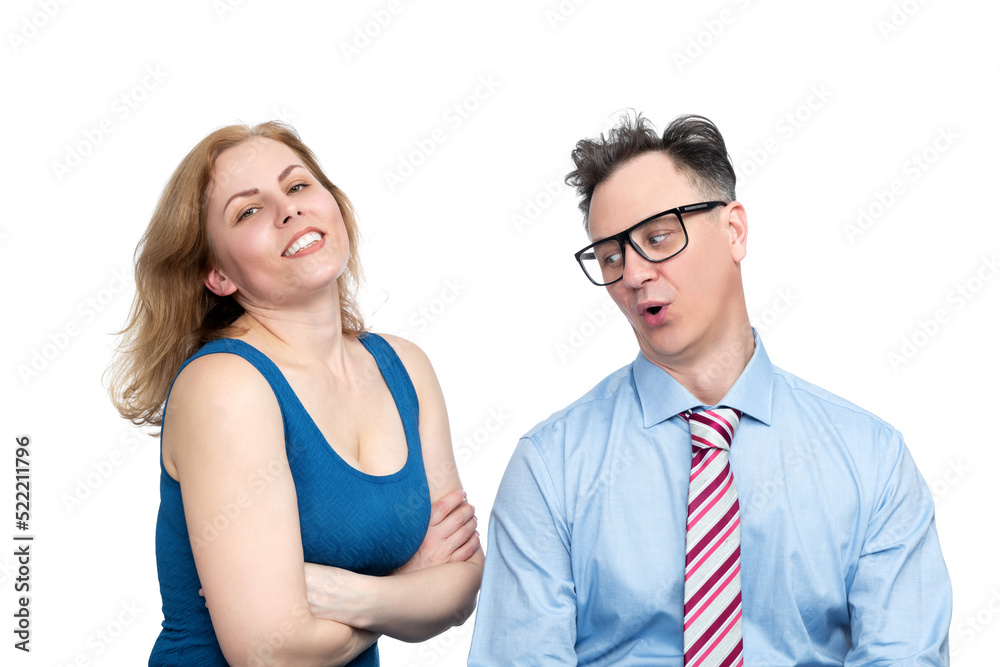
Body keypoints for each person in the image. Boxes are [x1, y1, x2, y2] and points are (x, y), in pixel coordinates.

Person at [468, 114, 951, 665]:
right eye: (610, 256)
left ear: (734, 231)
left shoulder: (872, 459)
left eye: (657, 237)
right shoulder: (550, 466)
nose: (632, 274)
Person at [107, 121, 483, 666]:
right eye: (248, 211)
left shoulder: (406, 366)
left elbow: (462, 585)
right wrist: (407, 594)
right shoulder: (225, 387)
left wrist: (356, 595)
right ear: (217, 275)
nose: (289, 210)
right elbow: (272, 655)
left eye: (298, 186)